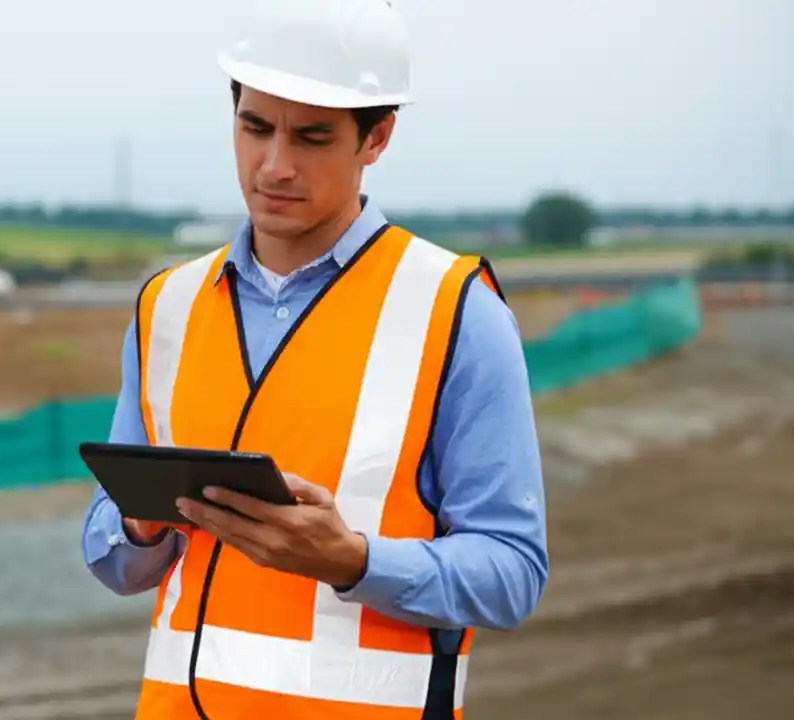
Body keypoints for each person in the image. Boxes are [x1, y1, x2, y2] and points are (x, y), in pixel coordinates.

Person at [81, 1, 548, 717]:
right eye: (256, 127)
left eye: (312, 137)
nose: (275, 165)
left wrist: (355, 561)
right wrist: (144, 523)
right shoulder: (166, 307)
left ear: (377, 137)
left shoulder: (456, 312)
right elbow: (112, 557)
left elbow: (512, 573)